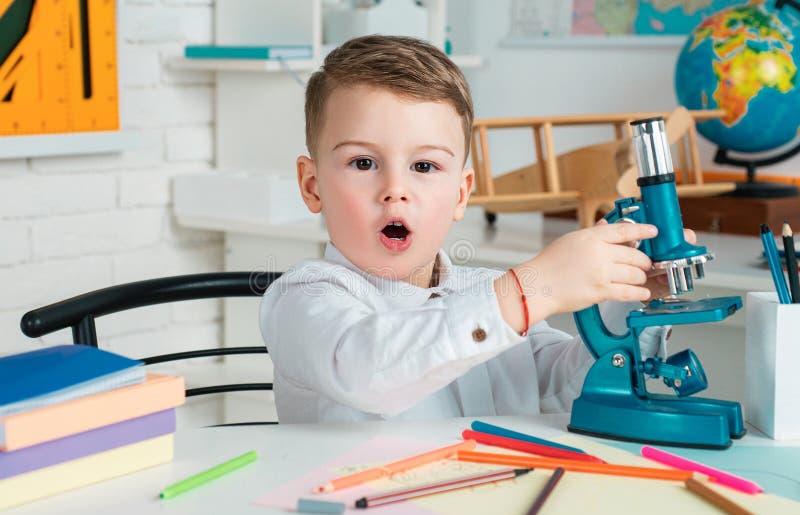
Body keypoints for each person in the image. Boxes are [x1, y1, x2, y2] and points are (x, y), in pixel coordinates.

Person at [260, 35, 682, 423]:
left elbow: (565, 390)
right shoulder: (303, 299)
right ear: (313, 186)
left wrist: (636, 300)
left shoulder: (487, 291)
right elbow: (367, 370)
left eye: (424, 166)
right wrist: (534, 289)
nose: (395, 190)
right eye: (363, 163)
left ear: (461, 194)